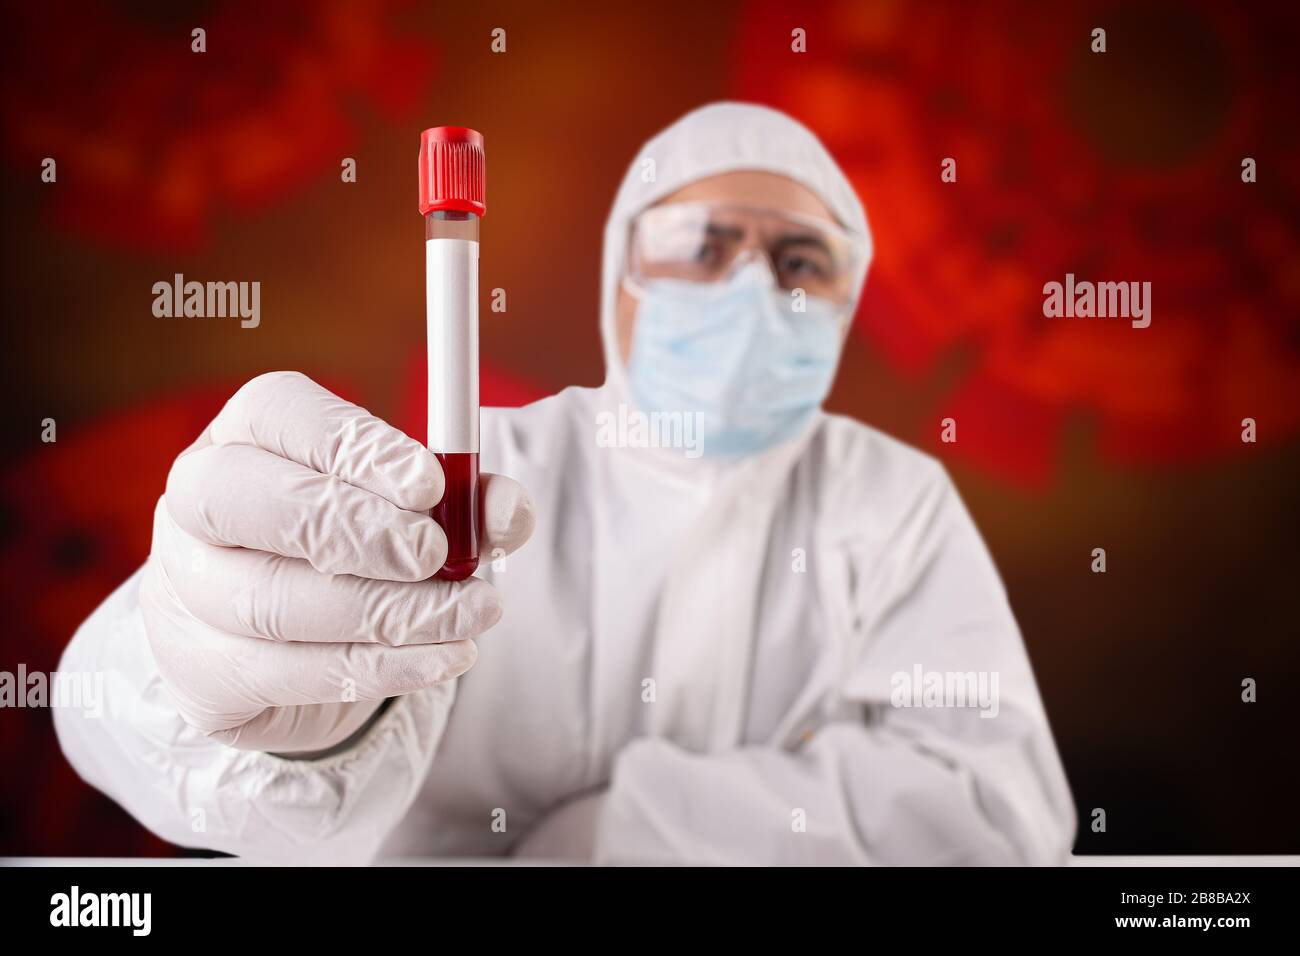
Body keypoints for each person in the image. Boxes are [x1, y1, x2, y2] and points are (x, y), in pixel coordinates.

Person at [55, 103, 1076, 865]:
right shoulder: (482, 467)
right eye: (705, 245)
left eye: (800, 261)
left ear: (848, 302)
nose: (755, 289)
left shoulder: (891, 499)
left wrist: (632, 836)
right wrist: (203, 670)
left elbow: (997, 811)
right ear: (618, 275)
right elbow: (106, 716)